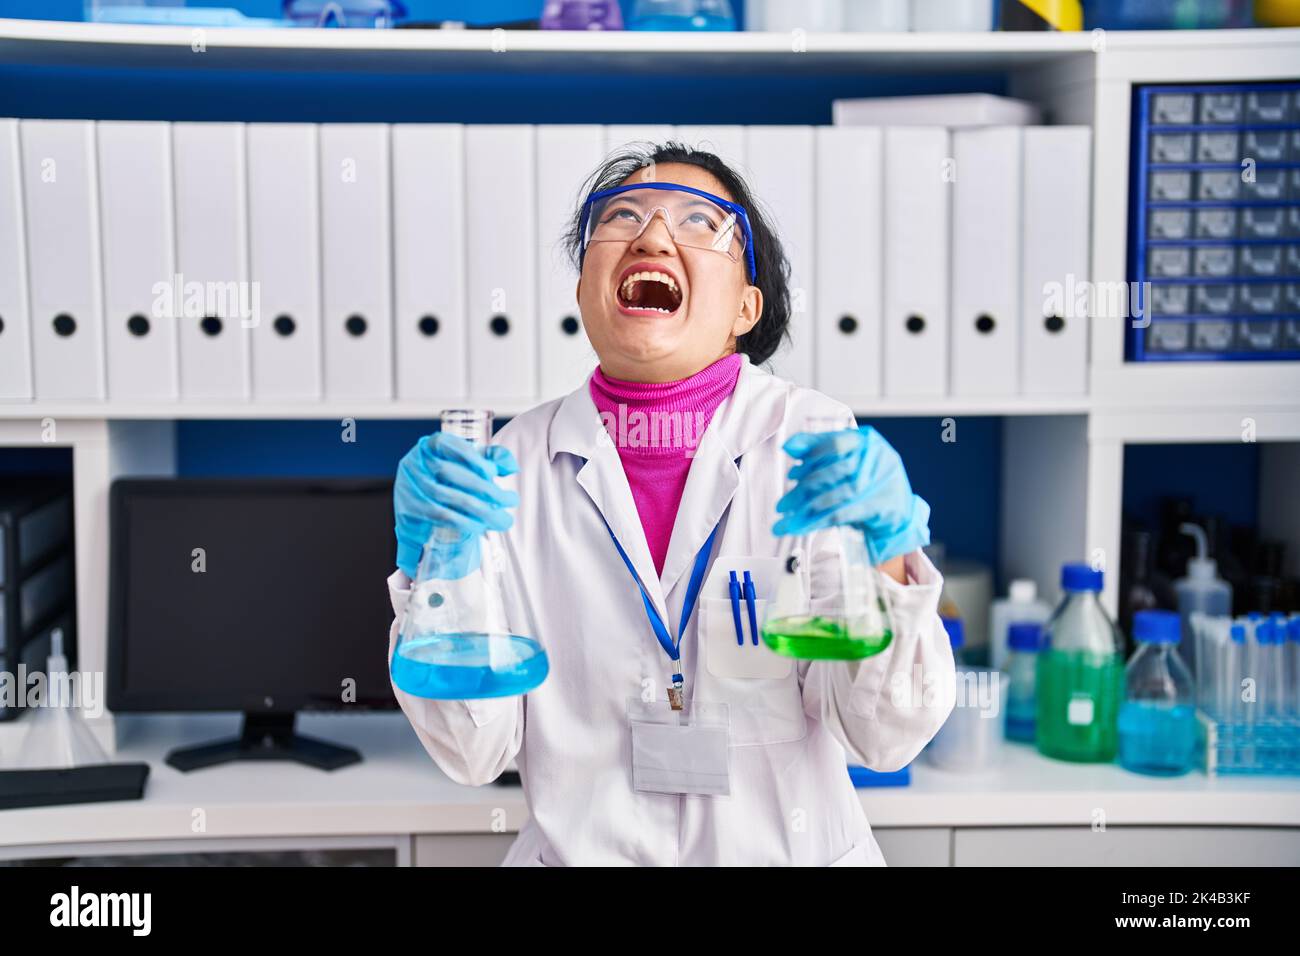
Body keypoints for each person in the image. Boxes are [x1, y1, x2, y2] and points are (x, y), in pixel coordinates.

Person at [387, 142, 954, 866]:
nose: (651, 236)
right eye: (621, 217)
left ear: (746, 306)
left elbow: (885, 736)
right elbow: (471, 750)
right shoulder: (506, 468)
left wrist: (890, 564)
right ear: (585, 288)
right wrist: (434, 569)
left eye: (699, 222)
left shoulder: (813, 445)